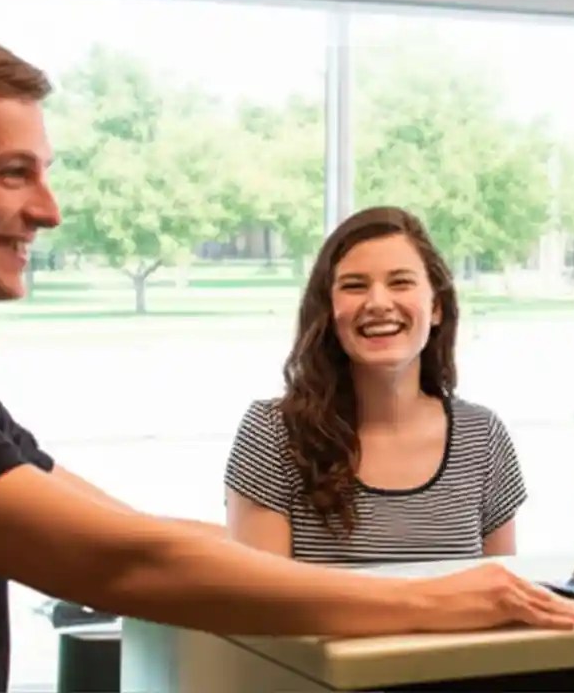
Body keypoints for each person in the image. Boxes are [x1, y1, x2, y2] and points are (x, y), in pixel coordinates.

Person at [0, 29, 574, 693]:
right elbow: (118, 564)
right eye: (12, 173)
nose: (50, 209)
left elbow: (129, 527)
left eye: (45, 172)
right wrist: (433, 602)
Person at [224, 206, 528, 564]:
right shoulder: (272, 434)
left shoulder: (482, 437)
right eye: (354, 286)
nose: (378, 303)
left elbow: (502, 600)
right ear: (327, 311)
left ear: (436, 308)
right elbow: (261, 606)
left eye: (401, 282)